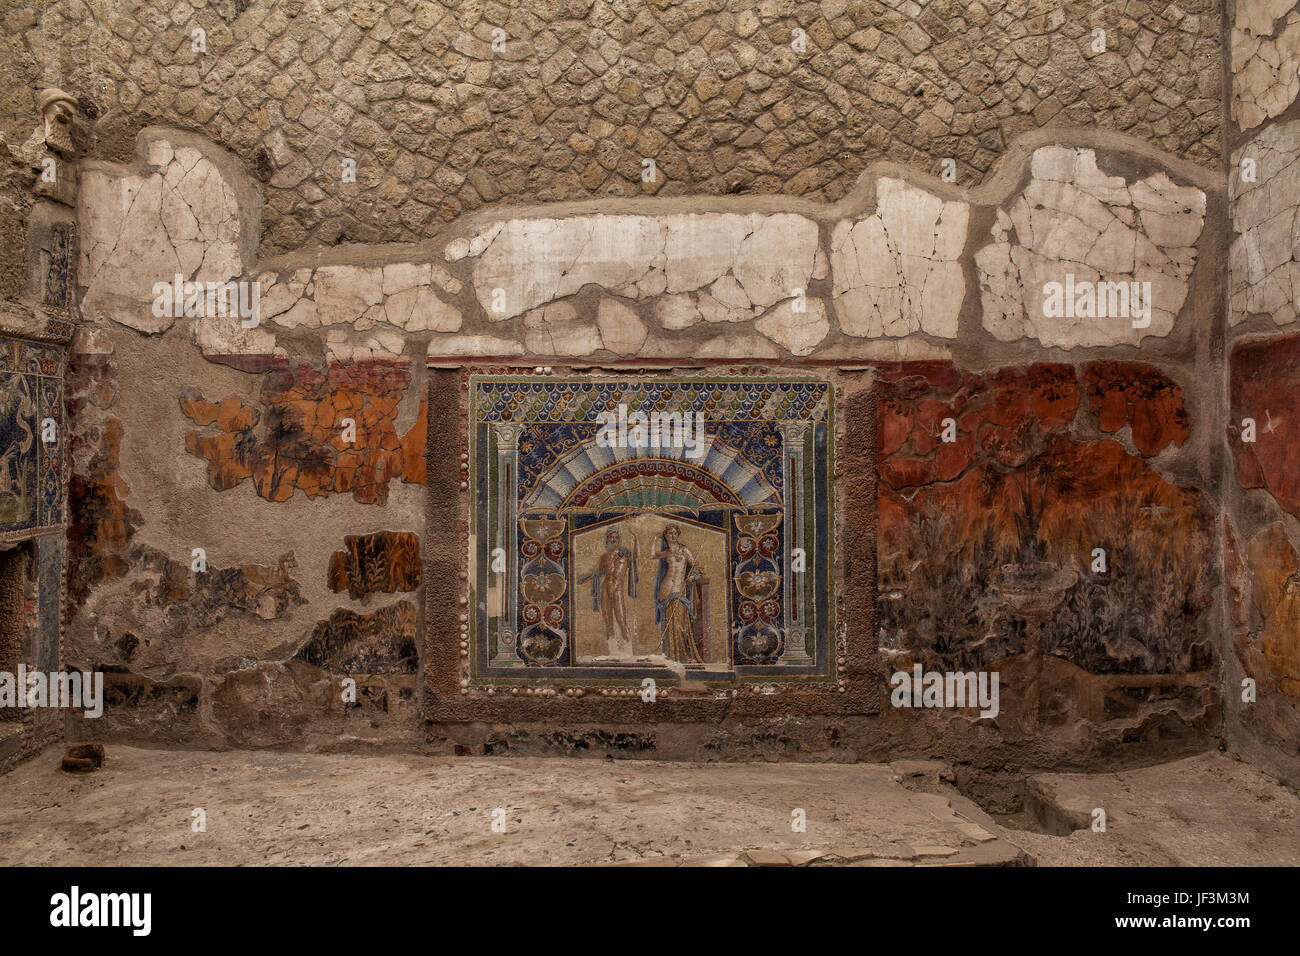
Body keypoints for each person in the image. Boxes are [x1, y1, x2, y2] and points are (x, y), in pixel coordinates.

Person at [577, 528, 637, 657]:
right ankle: (613, 652)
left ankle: (628, 652)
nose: (613, 539)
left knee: (621, 620)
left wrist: (636, 538)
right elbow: (598, 574)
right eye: (611, 537)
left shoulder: (625, 553)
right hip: (605, 588)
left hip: (617, 589)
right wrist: (583, 580)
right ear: (607, 539)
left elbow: (636, 556)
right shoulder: (604, 557)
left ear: (618, 539)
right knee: (608, 621)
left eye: (615, 537)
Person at [651, 523, 705, 663]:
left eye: (675, 533)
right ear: (666, 536)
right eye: (669, 533)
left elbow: (697, 567)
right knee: (668, 623)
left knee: (680, 623)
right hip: (666, 588)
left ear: (678, 534)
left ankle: (682, 655)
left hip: (679, 589)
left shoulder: (685, 550)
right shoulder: (667, 552)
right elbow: (652, 555)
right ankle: (671, 654)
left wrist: (693, 576)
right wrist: (654, 539)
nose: (673, 536)